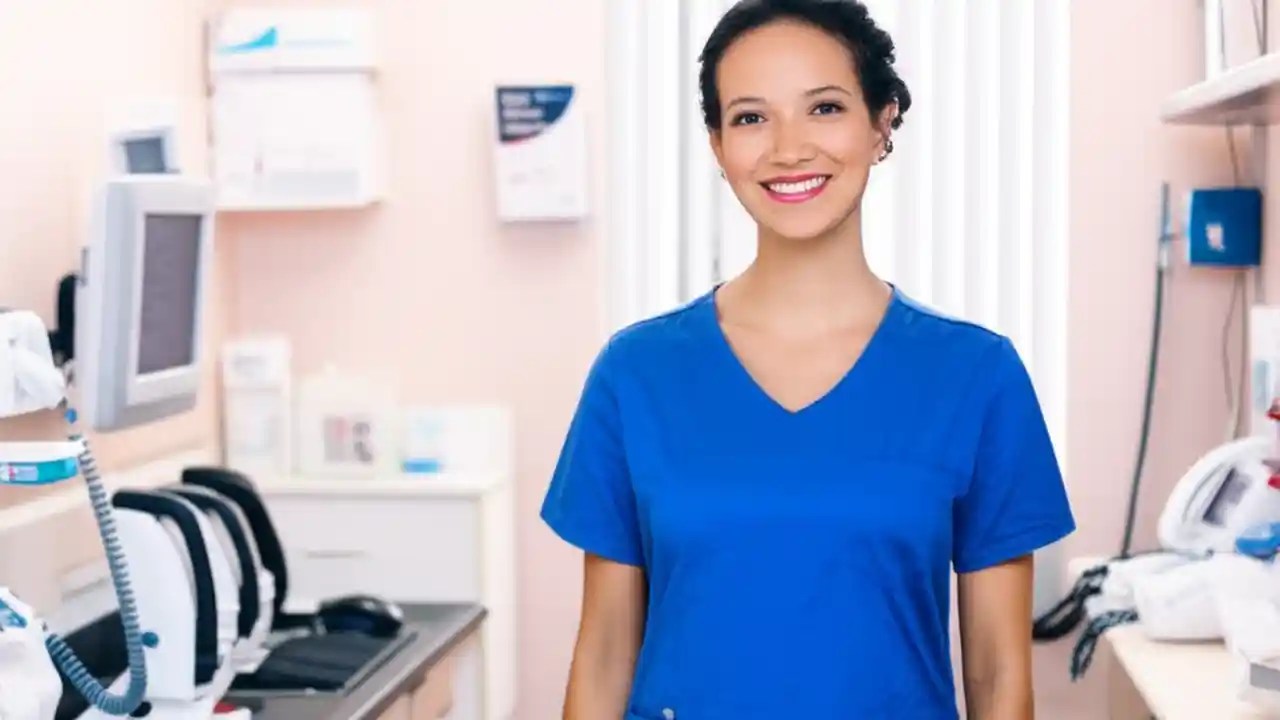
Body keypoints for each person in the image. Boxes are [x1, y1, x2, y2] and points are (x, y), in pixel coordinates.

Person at [540, 0, 1075, 717]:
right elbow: (605, 653)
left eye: (823, 108)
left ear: (882, 123)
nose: (789, 149)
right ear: (717, 144)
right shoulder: (635, 373)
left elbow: (999, 674)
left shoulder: (977, 378)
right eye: (752, 117)